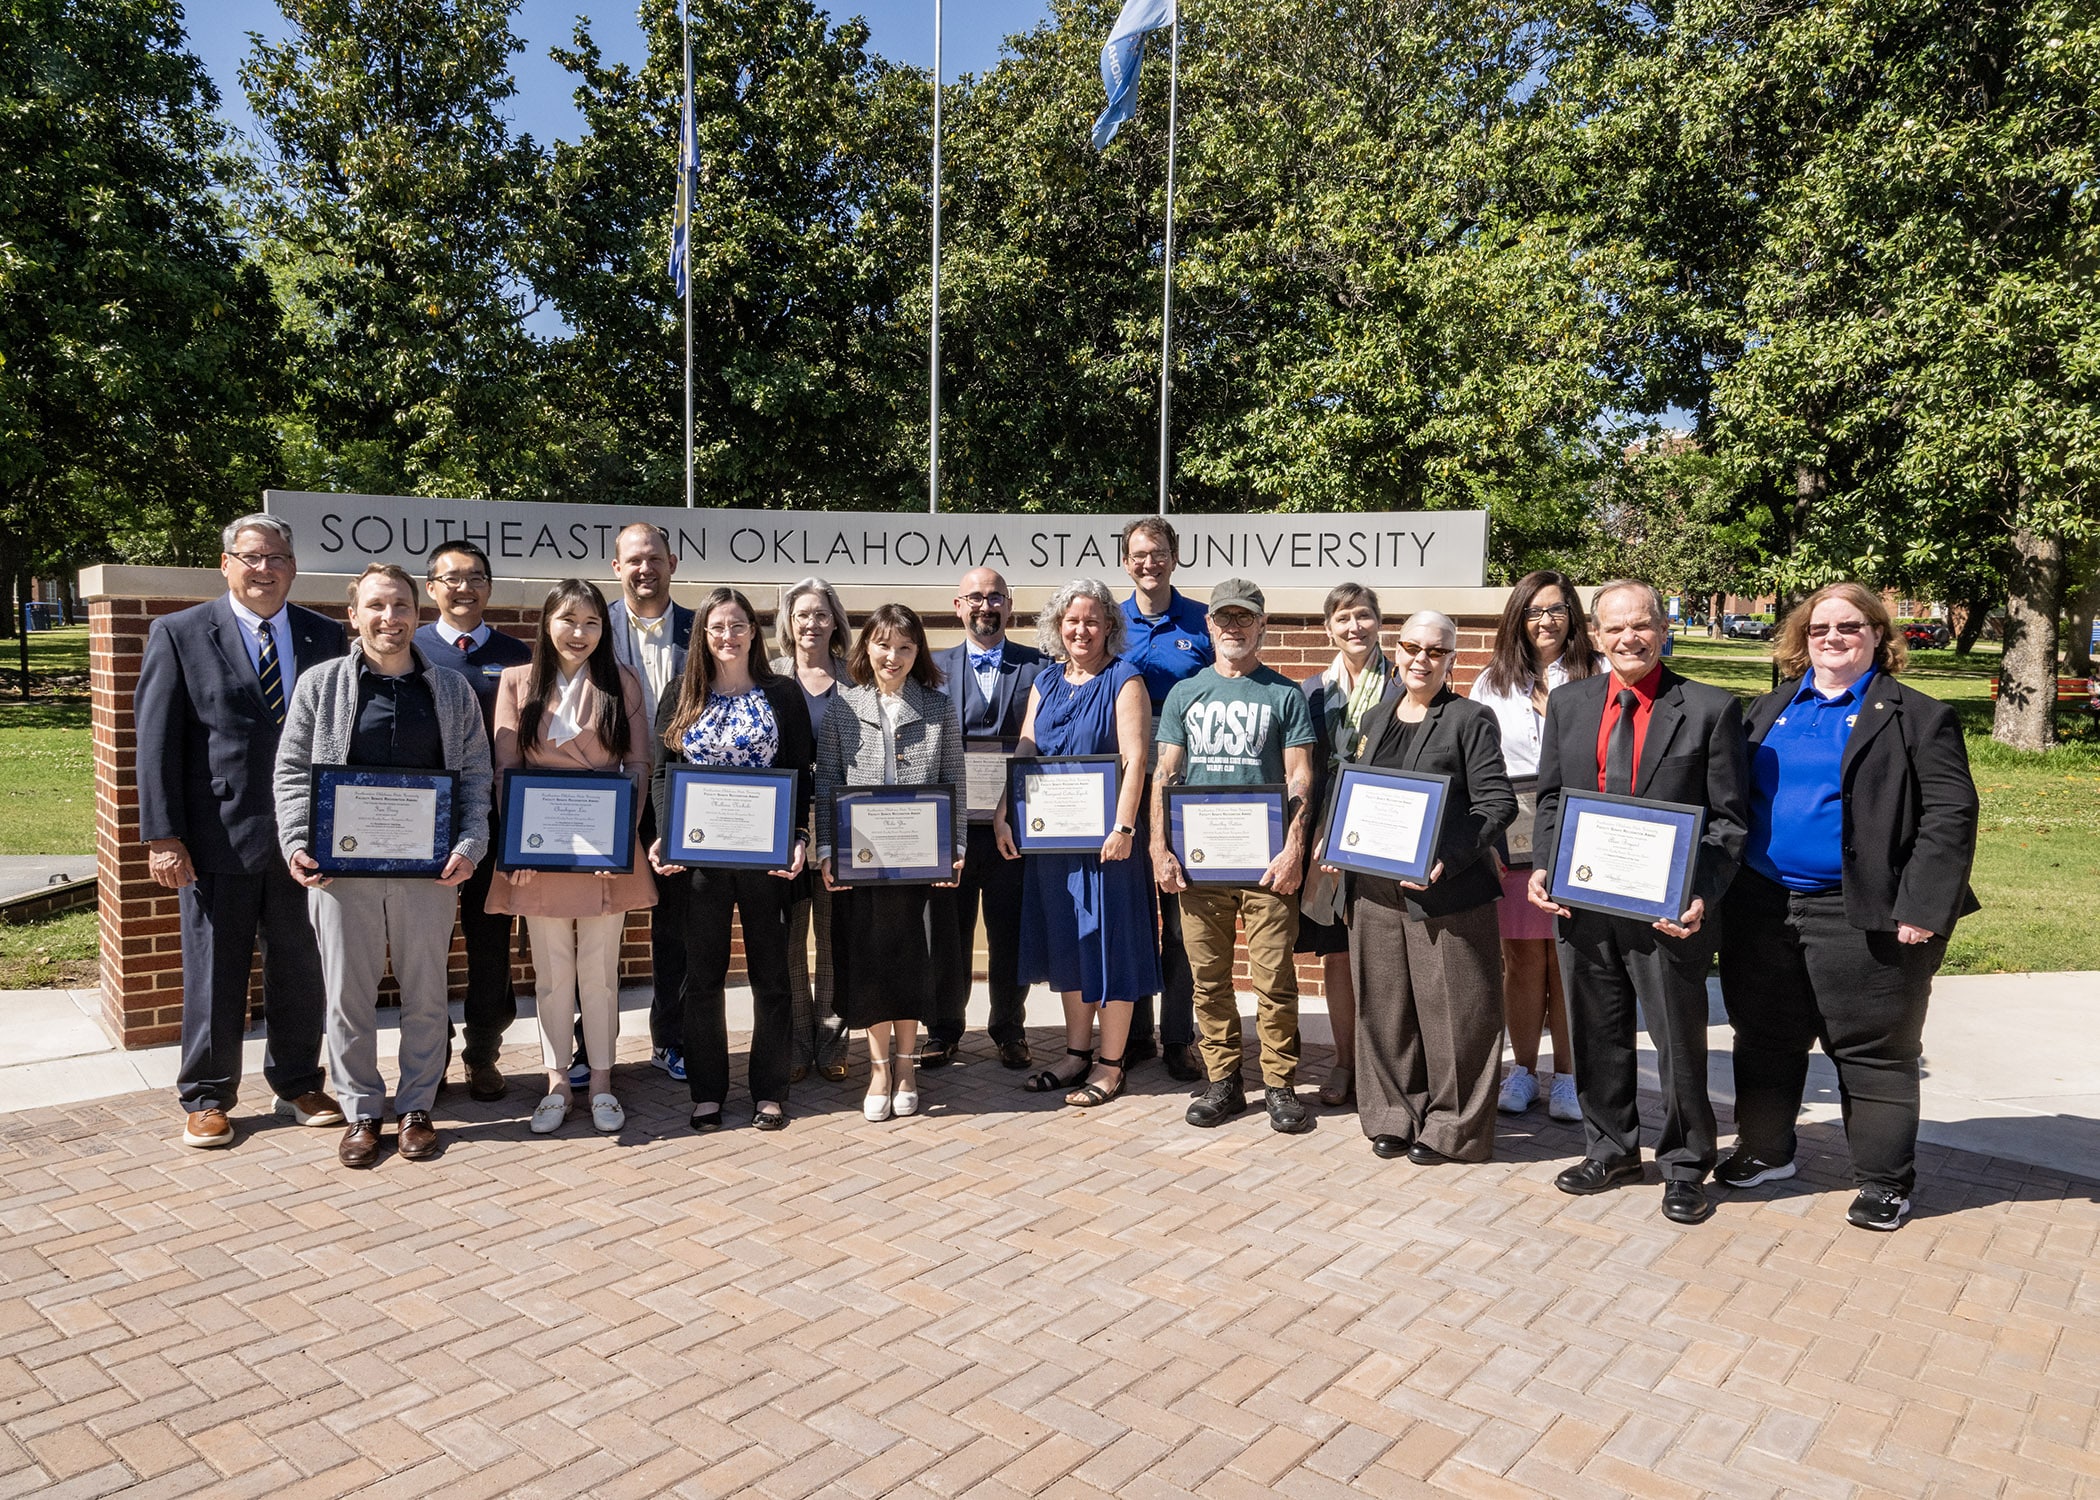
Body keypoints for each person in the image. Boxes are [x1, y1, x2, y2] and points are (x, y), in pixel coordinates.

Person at [1716, 583, 1979, 1231]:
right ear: (1800, 639)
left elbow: (1951, 815)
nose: (1832, 638)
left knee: (1874, 1050)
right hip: (1764, 910)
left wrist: (1921, 904)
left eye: (1849, 626)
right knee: (1765, 1039)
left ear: (1878, 637)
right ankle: (1765, 1150)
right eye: (1819, 628)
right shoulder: (1763, 711)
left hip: (1866, 912)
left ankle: (1885, 1183)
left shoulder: (1917, 716)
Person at [1529, 579, 1748, 1225]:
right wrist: (1545, 864)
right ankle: (1612, 1148)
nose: (1629, 638)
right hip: (1583, 904)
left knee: (1678, 1041)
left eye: (1641, 625)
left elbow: (1729, 822)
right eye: (1615, 628)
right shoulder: (1570, 704)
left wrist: (1702, 891)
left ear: (1662, 628)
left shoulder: (1709, 709)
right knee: (1596, 1033)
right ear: (1595, 637)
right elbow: (1550, 799)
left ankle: (1685, 1164)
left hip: (1667, 913)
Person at [135, 513, 345, 1149]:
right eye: (251, 557)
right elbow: (156, 741)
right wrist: (163, 836)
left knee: (300, 965)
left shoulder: (325, 635)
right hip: (214, 838)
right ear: (225, 564)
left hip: (303, 836)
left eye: (277, 558)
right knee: (214, 972)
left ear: (293, 567)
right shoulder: (178, 633)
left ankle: (299, 1081)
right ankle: (206, 1096)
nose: (264, 569)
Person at [274, 565, 493, 1169]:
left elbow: (475, 774)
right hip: (342, 872)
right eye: (376, 606)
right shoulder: (322, 686)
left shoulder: (449, 690)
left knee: (426, 992)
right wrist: (298, 840)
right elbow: (293, 770)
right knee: (349, 996)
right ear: (354, 615)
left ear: (417, 614)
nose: (389, 618)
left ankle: (418, 1105)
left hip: (431, 872)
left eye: (400, 605)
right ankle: (363, 1111)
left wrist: (469, 845)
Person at [1328, 611, 1516, 1163]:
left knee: (1457, 1014)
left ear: (1451, 659)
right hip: (1376, 892)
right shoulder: (1379, 715)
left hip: (1446, 894)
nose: (1421, 659)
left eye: (1436, 651)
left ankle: (1453, 1127)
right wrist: (1337, 836)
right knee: (1385, 1008)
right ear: (1397, 649)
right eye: (1412, 647)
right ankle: (1393, 1113)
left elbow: (1496, 803)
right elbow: (1357, 788)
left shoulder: (1468, 719)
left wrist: (1447, 856)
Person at [487, 580, 656, 1136]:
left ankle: (603, 1082)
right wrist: (516, 844)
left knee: (601, 974)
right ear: (547, 623)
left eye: (591, 623)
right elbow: (507, 770)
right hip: (541, 851)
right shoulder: (516, 681)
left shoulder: (621, 681)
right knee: (553, 974)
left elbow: (637, 766)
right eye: (568, 620)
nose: (579, 633)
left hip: (602, 850)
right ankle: (557, 1081)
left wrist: (618, 835)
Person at [1152, 578, 1319, 1134]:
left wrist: (1295, 847)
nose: (1233, 627)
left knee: (1274, 979)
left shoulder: (1284, 694)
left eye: (1244, 618)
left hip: (1267, 862)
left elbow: (1300, 775)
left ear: (1262, 626)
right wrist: (1159, 845)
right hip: (1200, 862)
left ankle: (1279, 1084)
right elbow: (1166, 773)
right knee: (1209, 979)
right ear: (1209, 625)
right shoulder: (1185, 693)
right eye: (1224, 618)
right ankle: (1222, 1081)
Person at [652, 587, 815, 1133]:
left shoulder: (782, 694)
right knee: (702, 980)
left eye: (738, 625)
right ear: (703, 633)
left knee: (771, 977)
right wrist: (665, 836)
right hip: (700, 866)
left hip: (765, 863)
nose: (728, 636)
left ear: (754, 632)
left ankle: (769, 1090)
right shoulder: (681, 692)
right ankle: (708, 1092)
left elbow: (800, 774)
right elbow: (661, 772)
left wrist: (796, 836)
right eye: (717, 626)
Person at [995, 579, 1159, 1106]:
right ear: (1057, 626)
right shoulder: (1045, 680)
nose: (1081, 629)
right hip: (1054, 842)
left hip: (1108, 845)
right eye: (1072, 620)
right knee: (1068, 942)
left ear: (1110, 625)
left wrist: (1125, 827)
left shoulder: (1124, 679)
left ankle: (1111, 1065)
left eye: (1092, 620)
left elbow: (1135, 759)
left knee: (1109, 945)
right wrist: (1004, 810)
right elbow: (1026, 747)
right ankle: (1075, 1053)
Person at [813, 604, 966, 1122]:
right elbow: (828, 783)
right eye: (883, 645)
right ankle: (878, 1067)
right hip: (863, 865)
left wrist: (957, 849)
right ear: (866, 648)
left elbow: (955, 782)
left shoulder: (939, 708)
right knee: (872, 966)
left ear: (918, 651)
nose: (893, 656)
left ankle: (907, 1066)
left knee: (912, 965)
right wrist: (828, 850)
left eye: (904, 647)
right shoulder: (843, 706)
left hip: (920, 864)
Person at [1468, 570, 1600, 1125]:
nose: (1546, 620)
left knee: (1570, 959)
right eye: (1533, 611)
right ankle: (1523, 1069)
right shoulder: (1491, 684)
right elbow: (1478, 768)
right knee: (1522, 959)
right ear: (1517, 619)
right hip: (1514, 841)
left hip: (1583, 835)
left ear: (1572, 615)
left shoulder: (1599, 673)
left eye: (1557, 609)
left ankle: (1569, 1077)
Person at [416, 539, 532, 1101]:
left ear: (490, 586)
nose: (465, 588)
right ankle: (428, 1058)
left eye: (476, 577)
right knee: (426, 949)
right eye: (452, 578)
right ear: (432, 587)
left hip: (497, 824)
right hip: (421, 828)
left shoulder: (521, 656)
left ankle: (483, 1052)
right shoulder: (406, 649)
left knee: (491, 946)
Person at [927, 566, 1044, 1072]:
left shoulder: (1038, 667)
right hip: (949, 829)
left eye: (996, 597)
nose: (985, 606)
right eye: (974, 597)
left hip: (1010, 828)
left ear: (1009, 606)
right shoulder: (929, 667)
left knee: (1007, 934)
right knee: (947, 938)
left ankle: (1009, 1029)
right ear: (958, 607)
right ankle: (943, 1030)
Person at [1295, 583, 1399, 1108]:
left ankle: (1387, 1067)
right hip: (1326, 839)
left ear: (1379, 621)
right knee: (1336, 954)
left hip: (1388, 835)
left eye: (1363, 616)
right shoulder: (1313, 692)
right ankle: (1343, 1061)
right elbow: (1305, 772)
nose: (1354, 627)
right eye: (1343, 619)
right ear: (1329, 629)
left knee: (1387, 955)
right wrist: (1312, 834)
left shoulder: (1405, 685)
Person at [1119, 517, 1212, 1081]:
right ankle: (1132, 1035)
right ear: (1125, 561)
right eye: (1138, 554)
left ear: (1174, 556)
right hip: (1125, 790)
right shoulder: (1108, 621)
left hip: (1185, 791)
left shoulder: (1201, 622)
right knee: (1130, 916)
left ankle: (1179, 1037)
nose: (1148, 562)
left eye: (1157, 552)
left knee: (1179, 921)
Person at [607, 522, 694, 1085]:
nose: (645, 568)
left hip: (680, 798)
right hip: (602, 798)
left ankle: (673, 1040)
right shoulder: (593, 626)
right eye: (634, 559)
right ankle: (591, 1050)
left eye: (655, 557)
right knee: (594, 926)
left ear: (673, 562)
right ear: (617, 567)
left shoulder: (701, 629)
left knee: (677, 930)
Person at [773, 577, 853, 1082]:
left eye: (820, 614)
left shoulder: (855, 680)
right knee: (788, 935)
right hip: (782, 824)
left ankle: (832, 1040)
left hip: (841, 824)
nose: (811, 623)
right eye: (802, 614)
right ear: (788, 621)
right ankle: (797, 1041)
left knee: (834, 934)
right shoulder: (771, 676)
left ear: (834, 621)